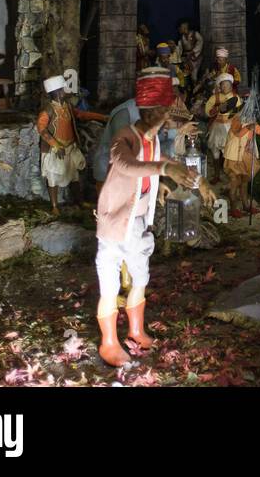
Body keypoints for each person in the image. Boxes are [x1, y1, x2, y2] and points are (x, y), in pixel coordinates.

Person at [94, 70, 200, 367]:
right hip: (116, 222)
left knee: (140, 276)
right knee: (109, 284)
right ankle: (109, 342)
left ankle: (136, 330)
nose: (161, 117)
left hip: (139, 221)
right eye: (156, 111)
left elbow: (160, 162)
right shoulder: (124, 137)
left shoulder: (152, 140)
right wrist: (164, 170)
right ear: (143, 110)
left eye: (163, 111)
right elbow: (127, 165)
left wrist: (181, 178)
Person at [37, 75, 105, 215]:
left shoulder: (67, 106)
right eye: (63, 89)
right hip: (55, 150)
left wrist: (102, 117)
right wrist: (55, 145)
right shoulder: (48, 110)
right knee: (53, 177)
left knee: (74, 176)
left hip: (70, 147)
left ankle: (79, 201)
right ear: (57, 92)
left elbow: (81, 114)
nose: (65, 91)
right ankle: (54, 206)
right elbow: (41, 129)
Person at [203, 74, 242, 183]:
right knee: (215, 151)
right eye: (223, 85)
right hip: (217, 127)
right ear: (220, 86)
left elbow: (239, 114)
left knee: (228, 152)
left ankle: (230, 177)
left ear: (231, 85)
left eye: (227, 84)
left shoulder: (236, 98)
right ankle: (216, 175)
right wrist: (217, 108)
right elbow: (207, 112)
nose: (225, 87)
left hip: (229, 127)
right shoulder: (214, 97)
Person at [177, 20, 203, 92]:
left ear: (185, 27)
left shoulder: (195, 34)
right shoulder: (181, 39)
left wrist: (193, 52)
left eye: (180, 28)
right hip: (187, 59)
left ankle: (197, 90)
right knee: (185, 74)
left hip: (196, 58)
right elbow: (180, 50)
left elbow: (200, 42)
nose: (179, 29)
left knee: (194, 75)